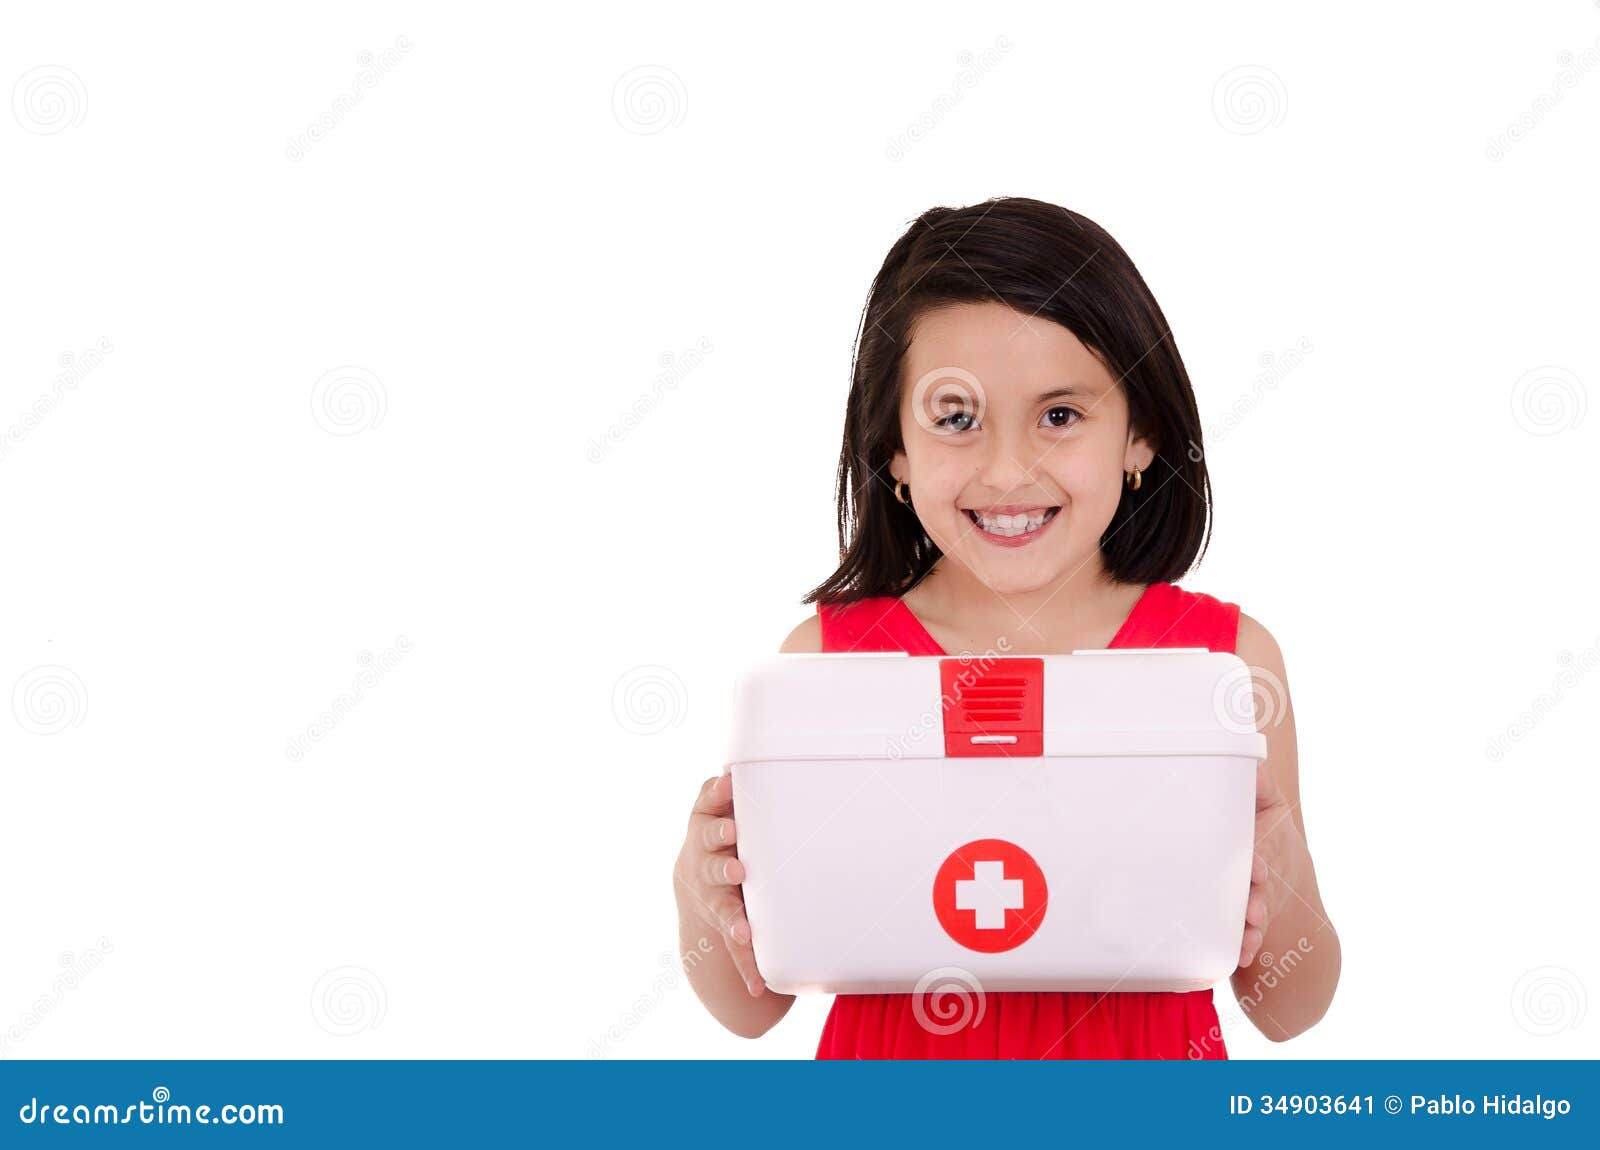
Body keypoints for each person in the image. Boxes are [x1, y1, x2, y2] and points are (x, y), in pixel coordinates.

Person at [672, 196, 1340, 1058]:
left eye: (1060, 416)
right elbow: (752, 1008)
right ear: (896, 455)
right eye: (957, 419)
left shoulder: (1224, 665)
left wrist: (1276, 866)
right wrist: (700, 888)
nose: (1008, 469)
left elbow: (1290, 1009)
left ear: (1140, 435)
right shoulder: (826, 670)